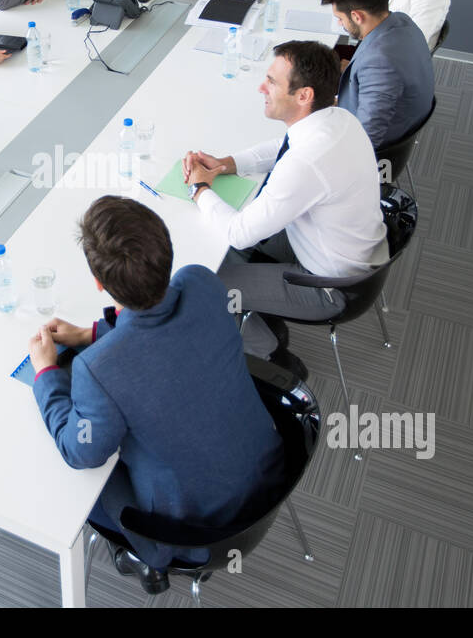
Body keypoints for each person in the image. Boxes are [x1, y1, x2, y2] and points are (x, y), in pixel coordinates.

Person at [27, 195, 286, 591]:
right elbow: (166, 335)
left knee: (76, 477)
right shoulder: (201, 281)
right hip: (270, 474)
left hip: (199, 532)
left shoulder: (96, 370)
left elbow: (79, 451)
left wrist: (46, 372)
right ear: (167, 251)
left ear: (98, 283)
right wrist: (91, 334)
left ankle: (146, 554)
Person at [183, 42, 387, 361]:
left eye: (272, 82)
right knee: (230, 244)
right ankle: (260, 307)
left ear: (304, 95)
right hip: (343, 251)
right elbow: (283, 144)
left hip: (330, 286)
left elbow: (238, 232)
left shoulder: (307, 162)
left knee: (204, 285)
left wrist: (199, 190)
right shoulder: (338, 117)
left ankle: (269, 353)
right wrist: (226, 163)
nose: (261, 87)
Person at [320, 0, 435, 148]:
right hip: (393, 117)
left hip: (374, 149)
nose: (340, 24)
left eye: (340, 18)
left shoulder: (380, 63)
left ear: (357, 16)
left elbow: (366, 138)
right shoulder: (402, 21)